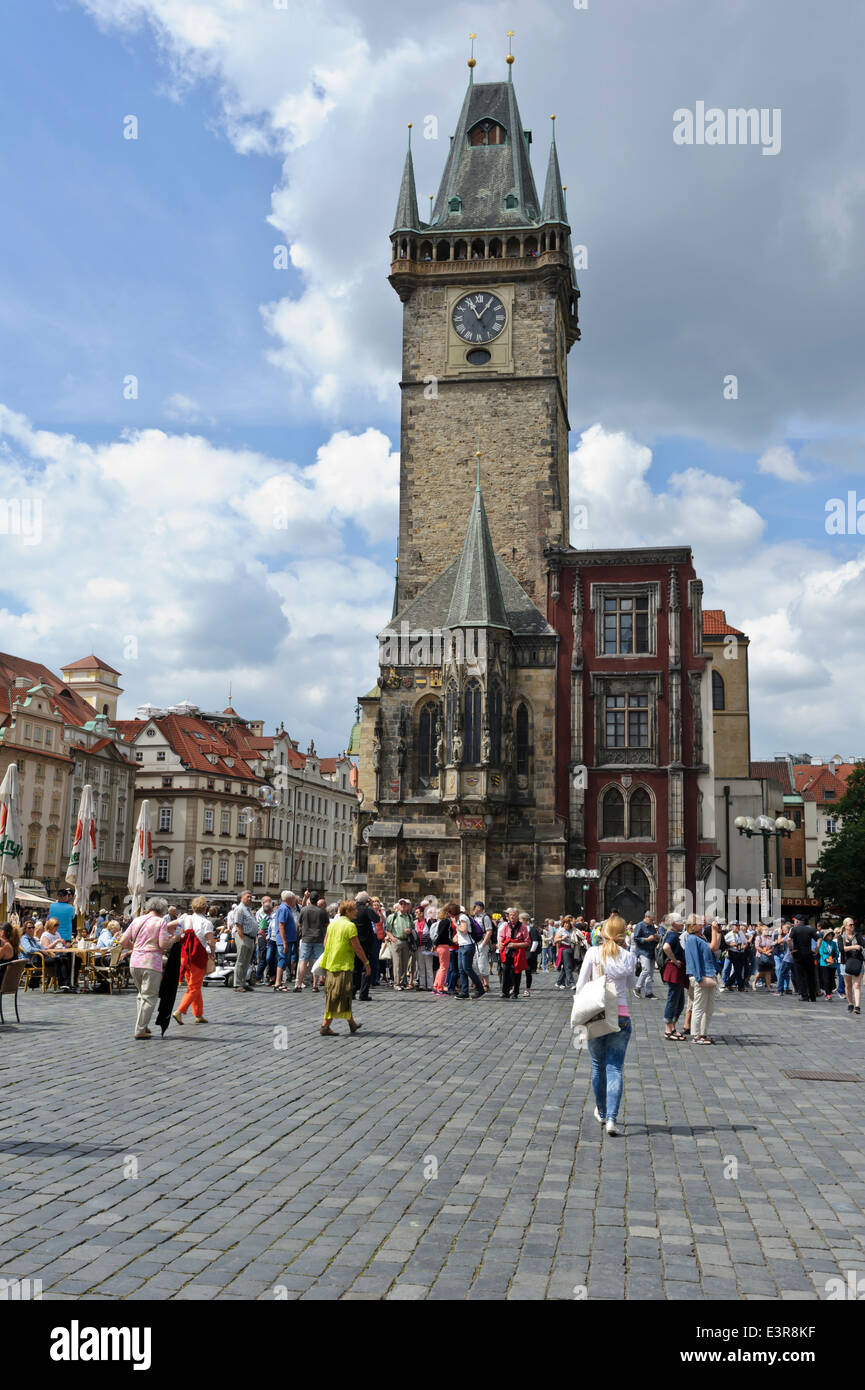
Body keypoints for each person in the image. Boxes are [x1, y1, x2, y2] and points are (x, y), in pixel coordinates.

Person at [574, 914, 636, 1136]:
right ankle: (611, 1119)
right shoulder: (629, 957)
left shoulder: (593, 953)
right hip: (621, 1016)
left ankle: (601, 1111)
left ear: (603, 933)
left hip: (597, 1015)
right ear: (623, 935)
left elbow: (580, 986)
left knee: (598, 1066)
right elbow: (631, 986)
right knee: (615, 1068)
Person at [118, 898, 180, 1039]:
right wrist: (175, 939)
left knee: (141, 995)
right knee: (150, 996)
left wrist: (136, 948)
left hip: (135, 962)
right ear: (163, 910)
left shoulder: (137, 920)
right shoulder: (160, 922)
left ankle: (144, 1025)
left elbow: (122, 941)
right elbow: (163, 944)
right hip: (151, 963)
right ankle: (140, 1029)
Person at [319, 900, 368, 1036]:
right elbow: (357, 947)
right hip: (343, 966)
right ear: (347, 911)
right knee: (337, 996)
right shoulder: (350, 926)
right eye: (354, 909)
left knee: (341, 995)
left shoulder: (332, 925)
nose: (356, 911)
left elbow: (325, 943)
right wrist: (366, 963)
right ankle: (325, 1026)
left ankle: (351, 1023)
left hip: (331, 965)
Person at [172, 896, 215, 1025]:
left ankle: (198, 1014)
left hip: (185, 956)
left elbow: (178, 935)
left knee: (195, 985)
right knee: (194, 987)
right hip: (197, 956)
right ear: (205, 908)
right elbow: (210, 941)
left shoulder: (185, 919)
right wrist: (213, 954)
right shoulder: (206, 923)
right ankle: (179, 1011)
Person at [683, 915, 718, 1044]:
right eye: (699, 923)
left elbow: (714, 947)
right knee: (699, 1006)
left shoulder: (701, 938)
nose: (702, 924)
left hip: (709, 973)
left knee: (709, 1007)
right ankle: (696, 1035)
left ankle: (703, 1033)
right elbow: (694, 959)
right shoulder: (692, 939)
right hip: (700, 975)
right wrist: (698, 977)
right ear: (693, 925)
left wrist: (716, 931)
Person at [661, 914, 687, 1040]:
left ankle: (673, 1027)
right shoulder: (672, 934)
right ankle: (668, 1029)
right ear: (673, 923)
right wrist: (675, 960)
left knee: (680, 1001)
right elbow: (666, 947)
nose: (682, 924)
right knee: (673, 1000)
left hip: (676, 971)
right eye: (680, 922)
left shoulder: (672, 934)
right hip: (674, 970)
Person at [297, 897, 329, 993]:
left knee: (303, 961)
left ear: (310, 900)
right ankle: (315, 985)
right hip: (319, 938)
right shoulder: (322, 912)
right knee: (316, 962)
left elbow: (299, 924)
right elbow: (327, 925)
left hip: (306, 938)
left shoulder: (304, 910)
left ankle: (299, 984)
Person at [229, 891, 258, 993]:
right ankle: (237, 984)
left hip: (250, 938)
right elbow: (238, 925)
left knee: (246, 962)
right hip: (244, 937)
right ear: (241, 898)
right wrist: (242, 938)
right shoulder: (240, 909)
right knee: (241, 961)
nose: (250, 898)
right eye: (248, 897)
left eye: (251, 897)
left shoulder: (248, 909)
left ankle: (243, 982)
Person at [352, 891, 378, 1002]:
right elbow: (376, 919)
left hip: (354, 940)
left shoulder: (352, 909)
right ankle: (363, 993)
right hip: (366, 942)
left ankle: (352, 992)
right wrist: (371, 905)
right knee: (365, 967)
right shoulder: (367, 909)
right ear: (367, 900)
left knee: (355, 968)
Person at [454, 910, 485, 1000]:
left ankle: (480, 988)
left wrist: (455, 924)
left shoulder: (462, 917)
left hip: (467, 946)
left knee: (467, 969)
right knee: (461, 970)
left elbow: (464, 931)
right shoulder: (458, 919)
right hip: (461, 946)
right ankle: (464, 992)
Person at [499, 910, 529, 999]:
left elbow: (527, 942)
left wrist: (515, 945)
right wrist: (500, 944)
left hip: (518, 952)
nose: (512, 917)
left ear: (517, 916)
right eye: (510, 915)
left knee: (517, 972)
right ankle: (505, 992)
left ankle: (515, 992)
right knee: (505, 971)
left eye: (514, 915)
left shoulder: (523, 927)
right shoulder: (505, 926)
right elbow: (501, 938)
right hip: (507, 951)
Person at [386, 898, 414, 991]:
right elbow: (387, 929)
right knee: (397, 963)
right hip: (396, 941)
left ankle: (402, 982)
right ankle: (396, 983)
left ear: (407, 906)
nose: (403, 906)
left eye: (405, 904)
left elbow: (413, 928)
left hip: (406, 941)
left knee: (405, 963)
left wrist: (410, 930)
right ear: (398, 906)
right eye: (401, 904)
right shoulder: (392, 916)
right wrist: (392, 938)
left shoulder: (409, 917)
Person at [39, 917, 73, 990]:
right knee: (61, 960)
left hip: (58, 954)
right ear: (51, 926)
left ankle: (71, 981)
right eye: (55, 927)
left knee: (74, 958)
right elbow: (46, 949)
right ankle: (62, 983)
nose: (56, 929)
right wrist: (56, 942)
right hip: (48, 957)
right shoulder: (45, 935)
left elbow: (60, 945)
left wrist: (65, 945)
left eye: (57, 927)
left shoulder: (57, 934)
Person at [789, 915, 817, 1002]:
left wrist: (791, 950)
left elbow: (789, 939)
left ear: (797, 922)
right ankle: (812, 996)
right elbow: (819, 939)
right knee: (811, 975)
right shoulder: (810, 929)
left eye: (795, 921)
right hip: (809, 954)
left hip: (798, 954)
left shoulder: (794, 929)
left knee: (800, 975)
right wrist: (816, 950)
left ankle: (804, 995)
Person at [632, 912, 659, 999]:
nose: (652, 921)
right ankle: (637, 988)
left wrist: (656, 938)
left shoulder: (652, 927)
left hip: (651, 951)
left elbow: (654, 937)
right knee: (646, 970)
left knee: (650, 973)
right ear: (646, 917)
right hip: (643, 952)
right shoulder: (640, 925)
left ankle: (649, 992)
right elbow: (636, 938)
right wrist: (647, 939)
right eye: (651, 920)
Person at [839, 918, 864, 1014]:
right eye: (850, 925)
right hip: (845, 963)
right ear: (845, 926)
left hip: (858, 962)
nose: (852, 926)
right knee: (848, 985)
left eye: (853, 924)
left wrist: (858, 947)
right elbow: (841, 949)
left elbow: (863, 945)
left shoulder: (857, 935)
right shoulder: (841, 936)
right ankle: (850, 1003)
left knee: (857, 985)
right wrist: (854, 947)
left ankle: (857, 1006)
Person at [472, 901, 494, 992]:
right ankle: (479, 983)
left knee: (482, 964)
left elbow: (489, 931)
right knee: (475, 965)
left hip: (482, 943)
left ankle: (486, 984)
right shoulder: (474, 918)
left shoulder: (485, 918)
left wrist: (483, 944)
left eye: (475, 907)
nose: (474, 909)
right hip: (474, 943)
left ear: (480, 908)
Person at [255, 896, 276, 984]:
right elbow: (262, 931)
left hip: (265, 939)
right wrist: (266, 940)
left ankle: (267, 977)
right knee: (265, 958)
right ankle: (259, 977)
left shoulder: (267, 915)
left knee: (267, 958)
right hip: (264, 939)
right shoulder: (263, 916)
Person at [432, 910, 454, 995]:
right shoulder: (446, 922)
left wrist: (435, 944)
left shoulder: (441, 922)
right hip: (443, 946)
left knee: (441, 967)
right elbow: (441, 934)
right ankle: (440, 987)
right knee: (444, 967)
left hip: (440, 946)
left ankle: (436, 985)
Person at [818, 929, 840, 1001]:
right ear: (826, 936)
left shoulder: (833, 943)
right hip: (824, 963)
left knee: (831, 979)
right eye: (829, 935)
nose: (830, 936)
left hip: (833, 963)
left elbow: (836, 952)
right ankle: (827, 994)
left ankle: (829, 993)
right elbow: (821, 952)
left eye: (831, 934)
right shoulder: (822, 943)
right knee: (826, 979)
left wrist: (833, 959)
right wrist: (826, 959)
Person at [522, 913, 541, 996]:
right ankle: (514, 988)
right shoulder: (519, 929)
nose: (519, 921)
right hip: (520, 952)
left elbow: (535, 941)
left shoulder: (532, 929)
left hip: (528, 952)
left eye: (521, 920)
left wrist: (531, 952)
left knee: (528, 972)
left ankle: (527, 989)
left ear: (526, 920)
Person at [753, 924, 775, 989]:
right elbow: (757, 946)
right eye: (765, 930)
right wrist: (765, 952)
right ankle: (754, 982)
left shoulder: (769, 938)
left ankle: (768, 986)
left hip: (768, 956)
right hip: (760, 957)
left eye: (767, 930)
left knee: (768, 972)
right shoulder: (758, 937)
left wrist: (769, 951)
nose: (766, 931)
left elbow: (772, 947)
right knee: (761, 972)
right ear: (761, 931)